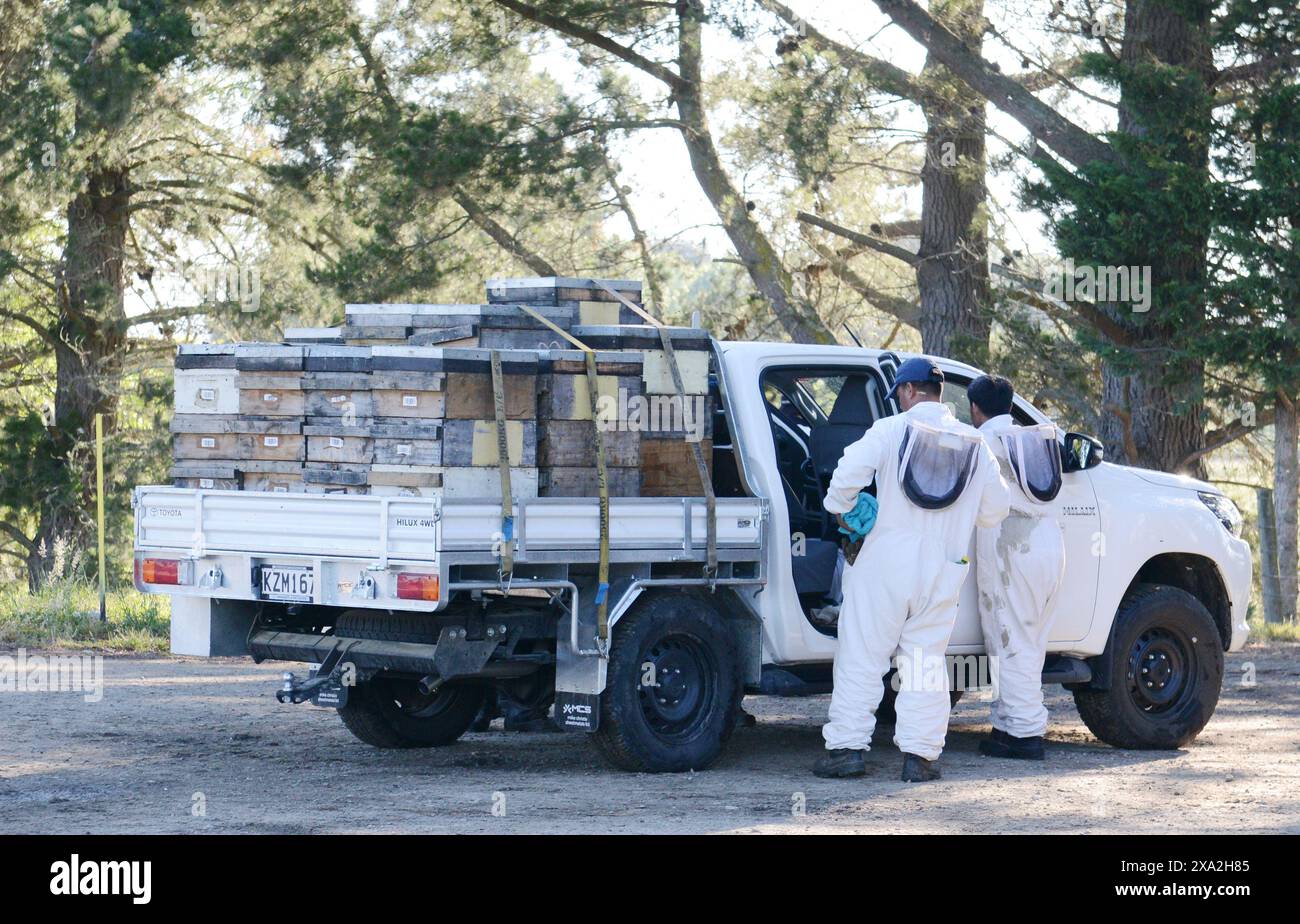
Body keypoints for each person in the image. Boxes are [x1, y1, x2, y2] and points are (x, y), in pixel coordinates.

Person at [814, 357, 1010, 782]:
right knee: (924, 662)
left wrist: (842, 511)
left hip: (884, 564)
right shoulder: (976, 444)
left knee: (862, 656)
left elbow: (845, 477)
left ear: (906, 391)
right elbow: (996, 511)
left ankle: (846, 750)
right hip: (942, 569)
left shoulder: (890, 430)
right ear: (938, 393)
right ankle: (919, 759)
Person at [967, 375, 1067, 760]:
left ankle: (1025, 735)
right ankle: (1008, 727)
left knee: (1010, 640)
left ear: (975, 409)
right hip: (1050, 544)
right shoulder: (1034, 440)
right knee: (1031, 640)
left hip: (1013, 547)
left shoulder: (982, 444)